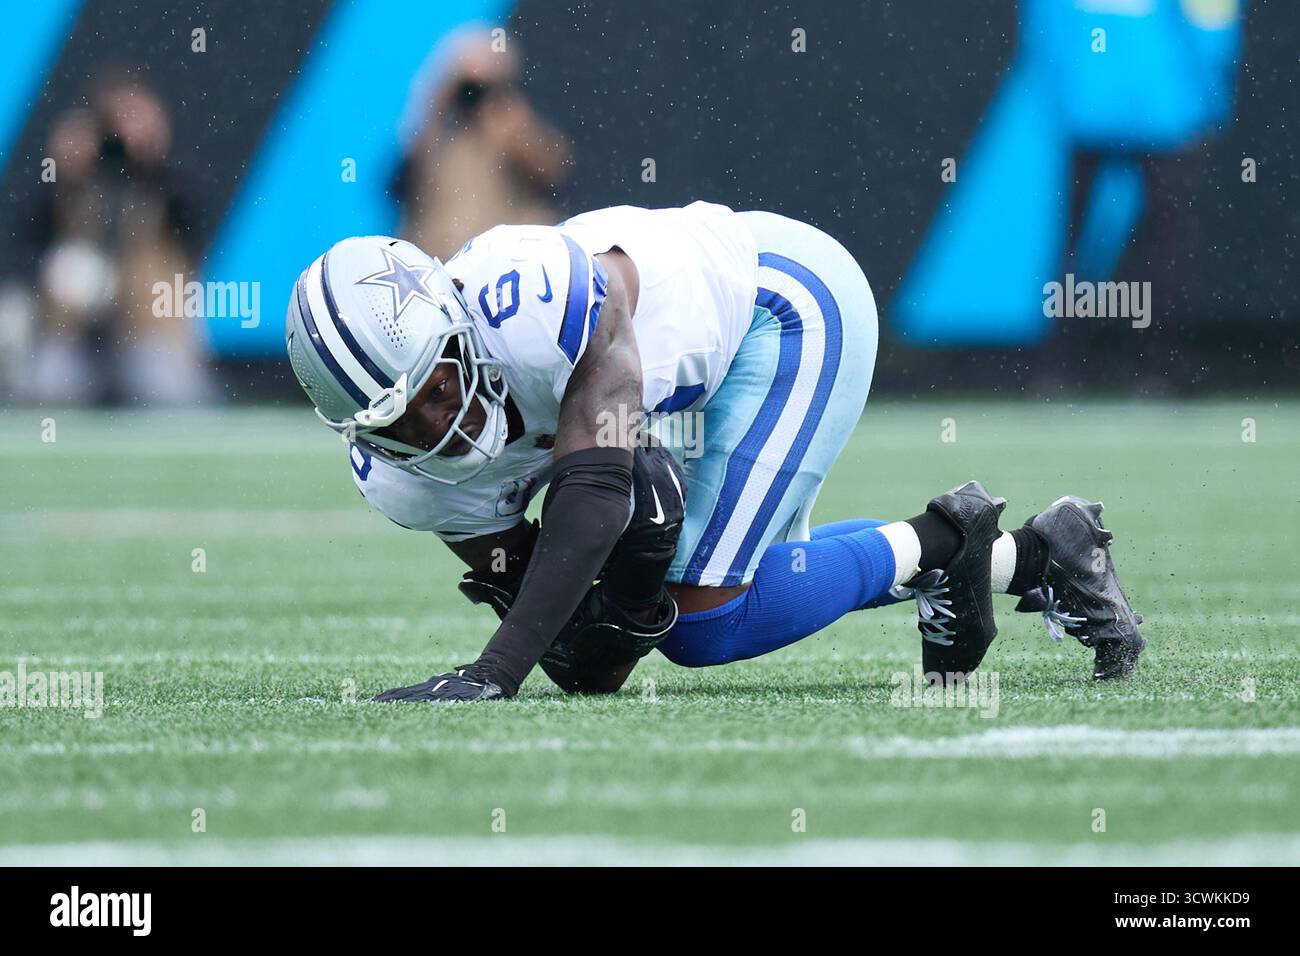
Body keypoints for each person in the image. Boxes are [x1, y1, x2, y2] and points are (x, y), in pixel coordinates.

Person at [284, 202, 1145, 702]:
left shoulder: (528, 301)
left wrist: (492, 674)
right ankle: (1031, 555)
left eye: (435, 383)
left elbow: (593, 492)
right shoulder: (411, 487)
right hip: (684, 393)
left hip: (780, 309)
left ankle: (951, 541)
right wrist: (609, 610)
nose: (440, 423)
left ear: (452, 323)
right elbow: (584, 654)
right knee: (713, 592)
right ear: (361, 434)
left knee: (703, 621)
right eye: (402, 423)